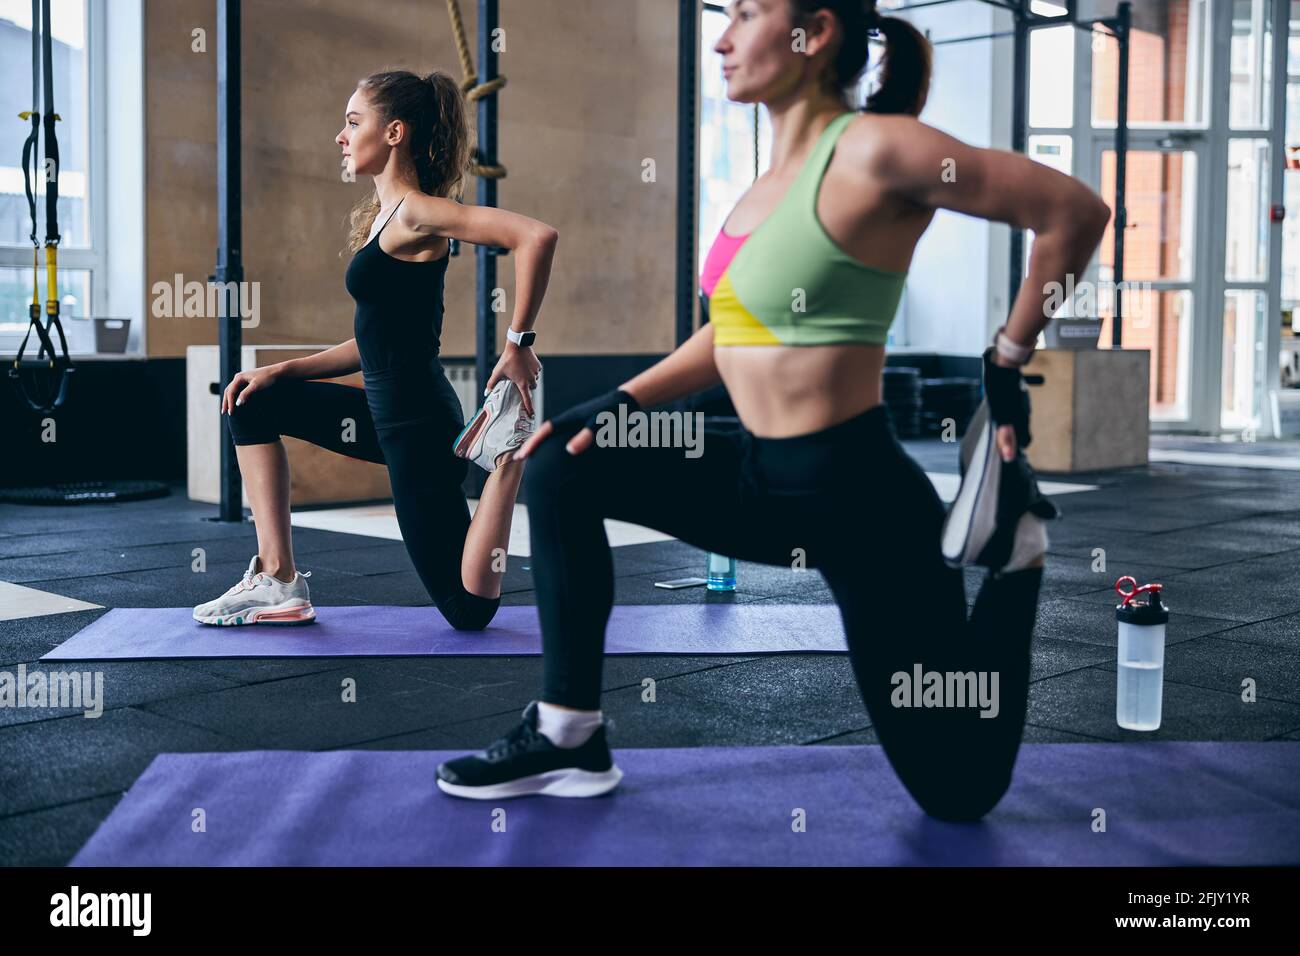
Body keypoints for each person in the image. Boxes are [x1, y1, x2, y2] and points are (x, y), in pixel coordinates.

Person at [436, 0, 1110, 821]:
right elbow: (730, 332)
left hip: (856, 495)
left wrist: (1006, 355)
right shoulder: (758, 188)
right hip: (758, 476)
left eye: (747, 14)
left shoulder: (877, 148)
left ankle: (1017, 560)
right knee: (562, 463)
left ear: (814, 33)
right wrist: (618, 403)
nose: (722, 38)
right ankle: (568, 733)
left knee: (958, 793)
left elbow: (1074, 213)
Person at [193, 70, 553, 630]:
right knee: (252, 401)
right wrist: (281, 370)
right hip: (385, 413)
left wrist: (517, 344)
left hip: (416, 426)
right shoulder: (382, 219)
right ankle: (279, 580)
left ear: (394, 132)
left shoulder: (416, 212)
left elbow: (535, 236)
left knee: (468, 611)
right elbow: (375, 342)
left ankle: (508, 457)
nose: (341, 135)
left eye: (353, 121)